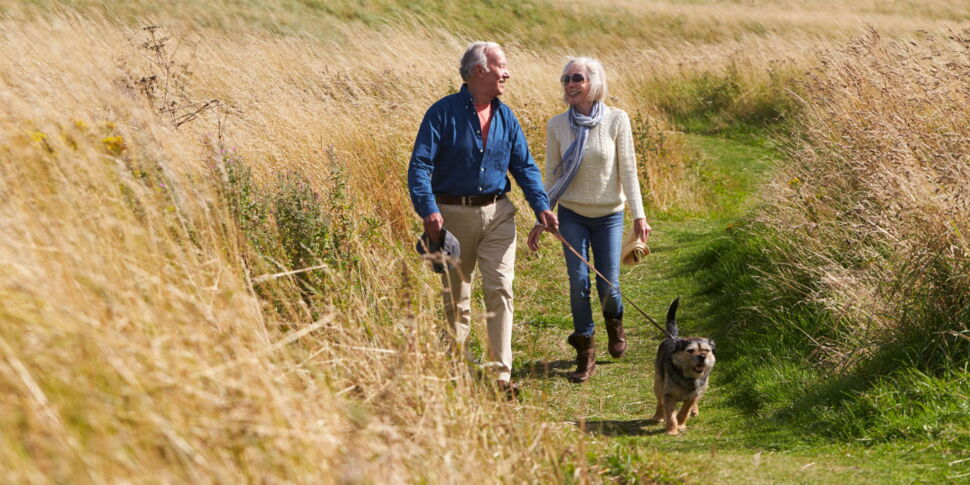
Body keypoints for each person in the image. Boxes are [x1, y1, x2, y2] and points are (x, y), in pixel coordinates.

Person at [408, 41, 558, 396]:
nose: (507, 72)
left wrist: (542, 206)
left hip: (499, 213)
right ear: (480, 70)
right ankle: (455, 372)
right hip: (450, 217)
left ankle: (499, 376)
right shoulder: (442, 113)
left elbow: (524, 166)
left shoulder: (506, 117)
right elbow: (420, 166)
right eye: (501, 65)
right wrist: (428, 209)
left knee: (501, 289)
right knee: (457, 297)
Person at [527, 57, 651, 383]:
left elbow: (628, 171)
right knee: (578, 282)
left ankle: (615, 322)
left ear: (593, 82)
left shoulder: (616, 120)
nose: (570, 84)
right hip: (572, 215)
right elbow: (552, 176)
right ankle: (586, 352)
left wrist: (639, 215)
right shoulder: (556, 125)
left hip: (610, 215)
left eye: (577, 78)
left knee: (608, 283)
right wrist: (542, 215)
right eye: (565, 78)